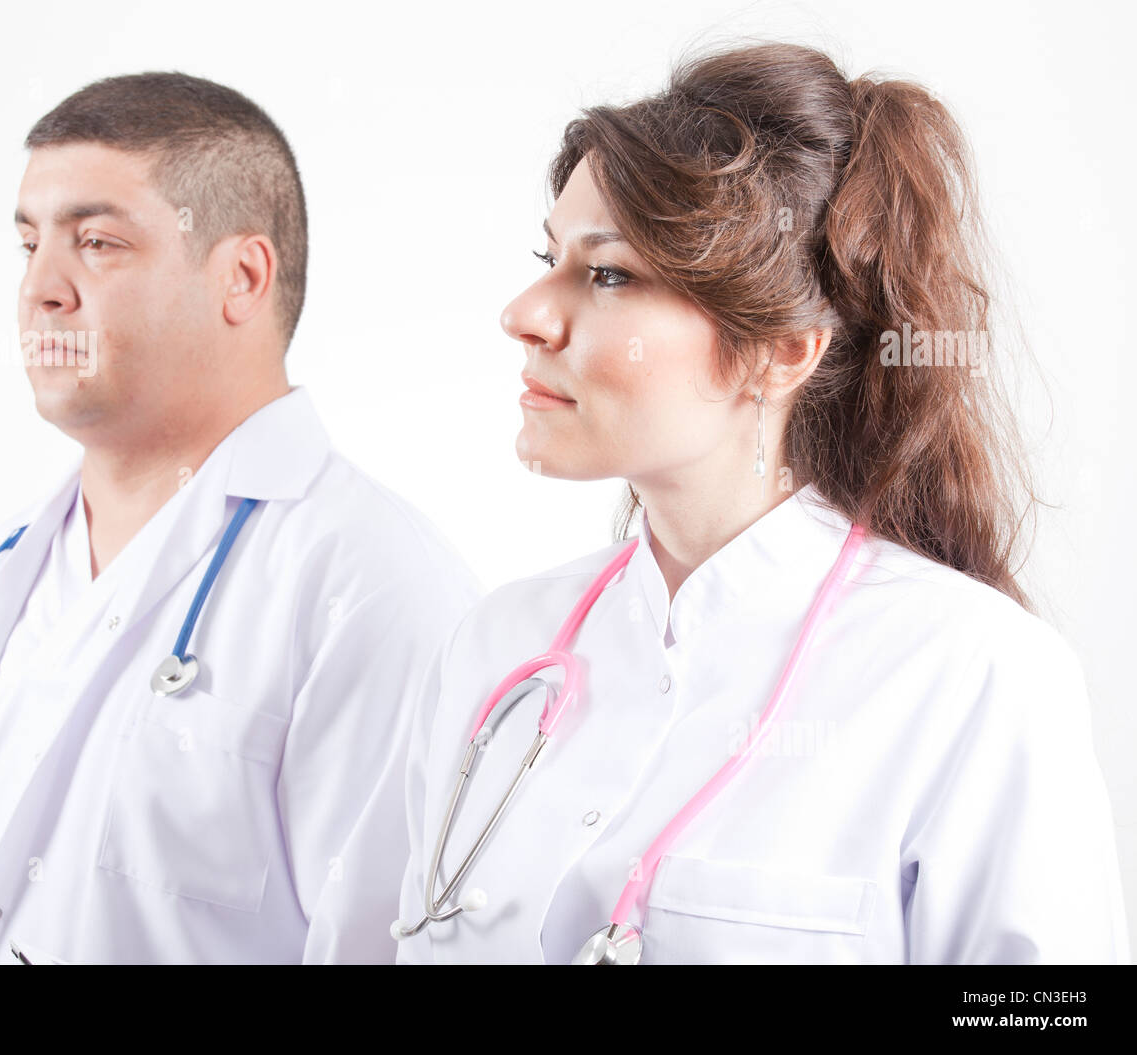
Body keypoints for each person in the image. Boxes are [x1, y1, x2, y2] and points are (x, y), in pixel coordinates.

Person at [394, 40, 1130, 964]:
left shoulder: (972, 674)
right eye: (549, 257)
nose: (526, 313)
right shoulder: (498, 648)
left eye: (609, 272)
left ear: (782, 352)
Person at [0, 71, 481, 965]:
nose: (42, 290)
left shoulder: (371, 587)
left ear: (242, 277)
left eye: (96, 242)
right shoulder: (6, 561)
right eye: (29, 245)